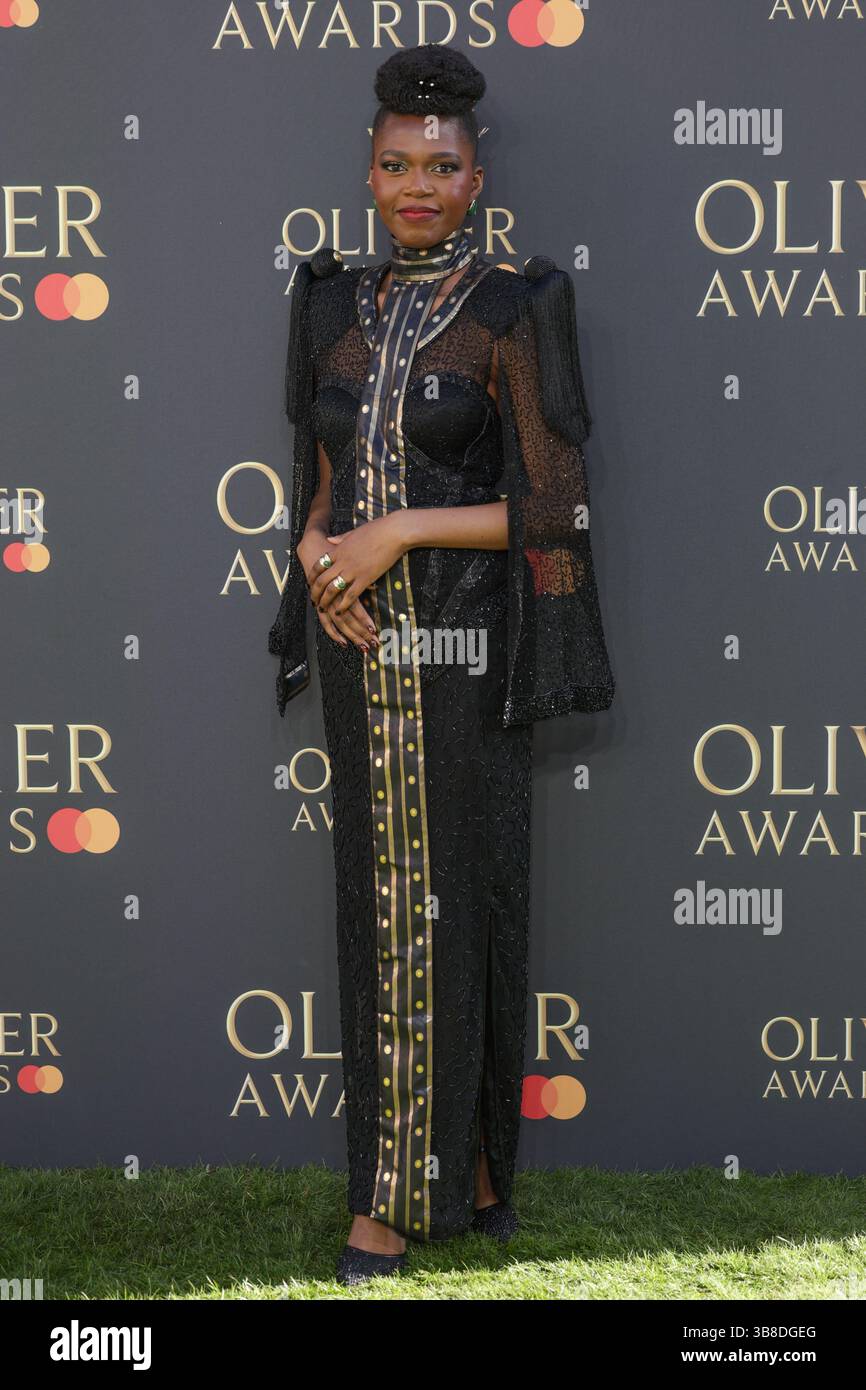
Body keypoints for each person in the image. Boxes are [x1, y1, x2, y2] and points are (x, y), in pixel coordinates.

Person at [268, 42, 615, 1286]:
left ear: (476, 181)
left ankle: (400, 1200)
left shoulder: (514, 307)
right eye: (396, 163)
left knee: (454, 903)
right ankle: (448, 1169)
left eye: (441, 166)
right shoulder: (327, 302)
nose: (417, 183)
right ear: (368, 173)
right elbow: (316, 481)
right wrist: (320, 556)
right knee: (385, 913)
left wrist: (401, 529)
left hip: (464, 653)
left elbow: (557, 508)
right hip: (362, 654)